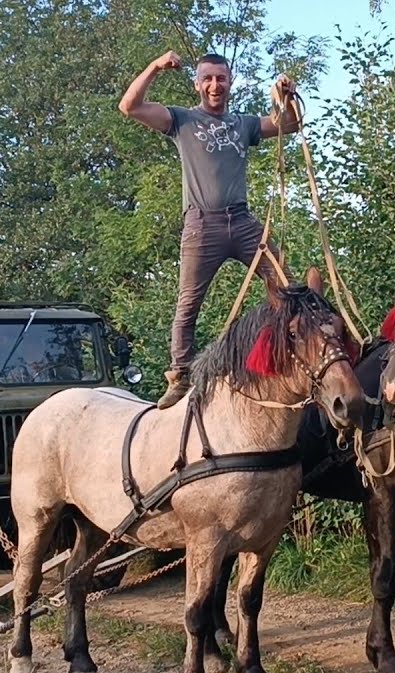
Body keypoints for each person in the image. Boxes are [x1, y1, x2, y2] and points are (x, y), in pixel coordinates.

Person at [119, 49, 300, 408]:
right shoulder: (181, 120)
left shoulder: (243, 124)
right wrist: (155, 65)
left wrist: (286, 96)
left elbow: (289, 125)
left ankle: (286, 356)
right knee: (188, 304)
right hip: (202, 225)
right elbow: (130, 106)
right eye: (208, 78)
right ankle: (180, 375)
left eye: (221, 78)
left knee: (286, 286)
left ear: (230, 82)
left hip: (243, 222)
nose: (215, 85)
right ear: (197, 83)